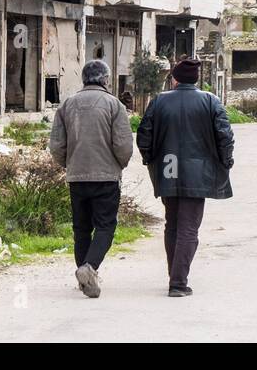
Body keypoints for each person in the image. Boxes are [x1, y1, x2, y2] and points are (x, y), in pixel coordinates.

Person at [136, 57, 234, 297]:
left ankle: (175, 275)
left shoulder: (159, 101)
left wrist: (149, 158)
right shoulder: (210, 101)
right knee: (189, 226)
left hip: (168, 168)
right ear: (196, 79)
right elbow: (225, 136)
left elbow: (144, 134)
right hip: (197, 171)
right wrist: (226, 161)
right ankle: (178, 283)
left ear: (175, 79)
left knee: (172, 223)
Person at [48, 59, 133, 299]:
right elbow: (124, 145)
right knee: (106, 226)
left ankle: (85, 280)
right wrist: (118, 165)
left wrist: (69, 163)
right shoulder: (114, 105)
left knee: (81, 229)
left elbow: (56, 145)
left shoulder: (67, 105)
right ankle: (89, 268)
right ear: (105, 80)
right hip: (106, 177)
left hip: (76, 177)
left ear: (84, 79)